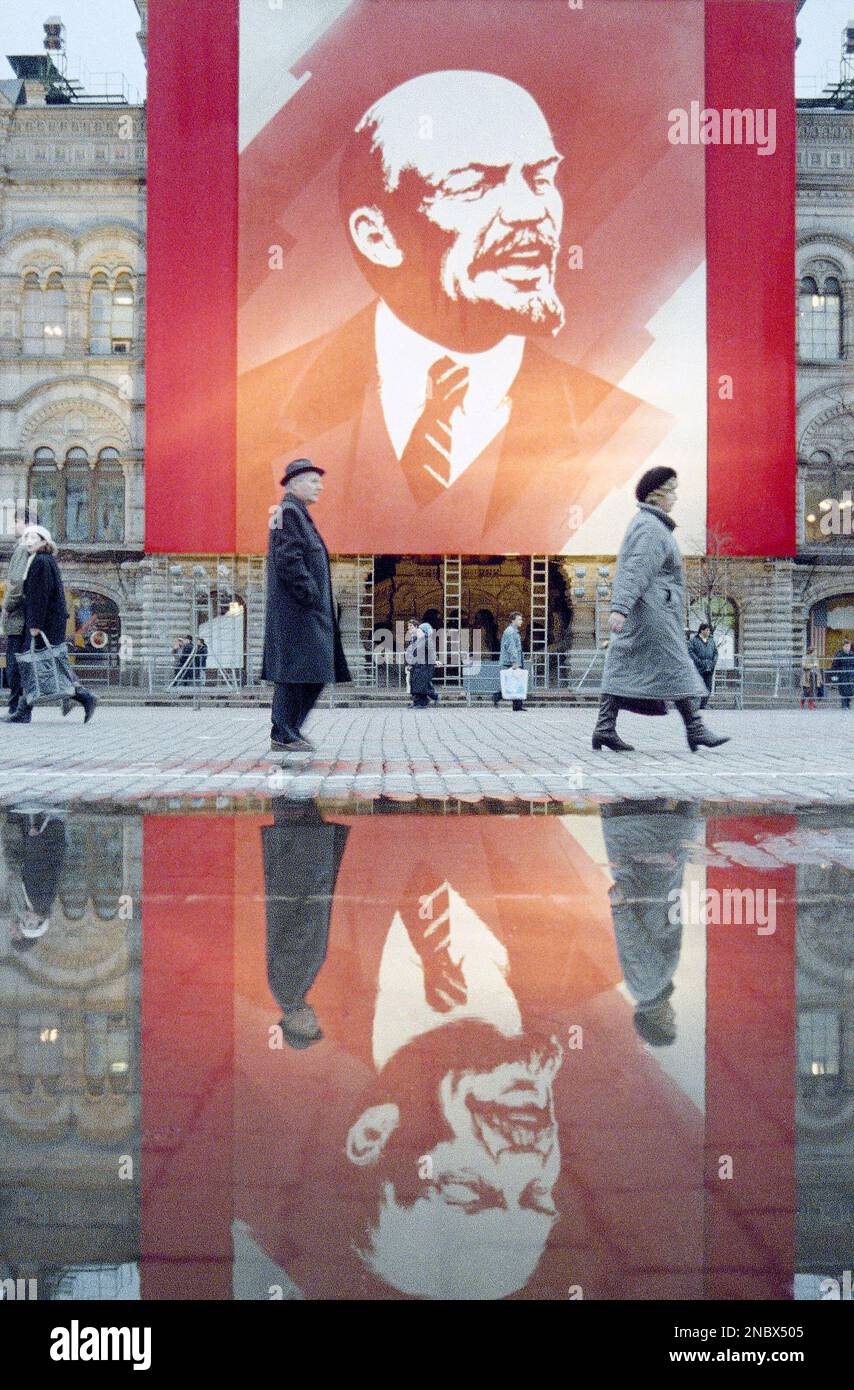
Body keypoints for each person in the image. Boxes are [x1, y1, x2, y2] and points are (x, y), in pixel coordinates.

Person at [238, 70, 662, 554]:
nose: (530, 211)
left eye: (541, 177)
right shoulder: (252, 420)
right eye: (477, 185)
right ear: (377, 236)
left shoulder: (624, 431)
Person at [592, 467, 729, 753]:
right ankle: (696, 728)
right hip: (654, 612)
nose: (676, 498)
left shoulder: (649, 523)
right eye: (672, 491)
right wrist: (619, 608)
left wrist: (624, 608)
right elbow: (636, 569)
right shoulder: (651, 527)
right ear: (657, 496)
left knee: (624, 665)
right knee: (677, 665)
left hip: (652, 609)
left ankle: (605, 728)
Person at [262, 458, 351, 753]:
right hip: (298, 612)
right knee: (296, 671)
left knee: (312, 671)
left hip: (306, 611)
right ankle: (284, 732)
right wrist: (311, 596)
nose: (319, 486)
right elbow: (289, 560)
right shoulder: (288, 512)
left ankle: (289, 730)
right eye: (313, 480)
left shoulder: (297, 513)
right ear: (294, 482)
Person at [4, 526, 96, 725]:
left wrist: (35, 625)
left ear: (45, 541)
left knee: (34, 667)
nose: (29, 540)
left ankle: (81, 696)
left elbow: (40, 595)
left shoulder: (41, 562)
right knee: (43, 666)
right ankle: (27, 709)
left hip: (41, 625)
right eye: (26, 537)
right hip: (45, 624)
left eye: (34, 537)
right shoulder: (41, 560)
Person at [1, 524, 30, 719]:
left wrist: (7, 606)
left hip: (17, 620)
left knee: (14, 665)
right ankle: (18, 707)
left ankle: (15, 708)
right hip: (24, 619)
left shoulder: (22, 548)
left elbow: (17, 583)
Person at [492, 610, 527, 711]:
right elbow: (511, 647)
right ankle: (498, 696)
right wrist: (515, 661)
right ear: (513, 620)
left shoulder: (513, 631)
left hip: (514, 660)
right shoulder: (510, 632)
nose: (521, 621)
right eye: (519, 619)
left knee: (516, 682)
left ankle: (517, 706)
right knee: (514, 682)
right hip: (511, 662)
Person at [687, 621, 718, 709]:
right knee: (698, 685)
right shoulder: (694, 640)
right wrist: (698, 661)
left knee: (708, 686)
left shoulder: (711, 640)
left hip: (709, 666)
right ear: (702, 631)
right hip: (699, 666)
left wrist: (713, 662)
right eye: (707, 630)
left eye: (709, 630)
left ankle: (703, 704)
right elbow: (690, 651)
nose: (709, 632)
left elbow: (716, 652)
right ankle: (696, 703)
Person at [409, 621, 438, 709]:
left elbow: (432, 653)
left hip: (425, 666)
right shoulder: (417, 640)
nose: (418, 631)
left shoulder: (426, 640)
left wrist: (435, 661)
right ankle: (417, 702)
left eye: (420, 630)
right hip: (417, 665)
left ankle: (422, 702)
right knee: (414, 683)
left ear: (424, 632)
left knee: (420, 684)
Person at [829, 640, 854, 709]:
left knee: (851, 690)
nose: (847, 648)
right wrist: (834, 675)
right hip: (842, 674)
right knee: (843, 690)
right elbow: (834, 665)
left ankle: (848, 704)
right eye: (846, 646)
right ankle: (844, 705)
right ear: (843, 647)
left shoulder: (852, 654)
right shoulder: (839, 654)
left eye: (848, 646)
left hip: (851, 674)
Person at [800, 645, 823, 710]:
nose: (815, 653)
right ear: (811, 651)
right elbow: (804, 665)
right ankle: (802, 701)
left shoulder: (815, 658)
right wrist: (812, 665)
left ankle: (811, 704)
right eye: (814, 652)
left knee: (813, 690)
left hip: (815, 676)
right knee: (806, 691)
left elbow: (817, 666)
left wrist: (820, 678)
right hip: (807, 676)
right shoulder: (805, 657)